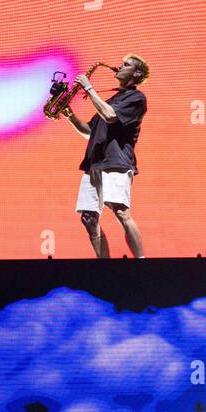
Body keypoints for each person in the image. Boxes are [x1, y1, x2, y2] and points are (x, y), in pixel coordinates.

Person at [61, 53, 149, 259]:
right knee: (89, 218)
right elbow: (89, 132)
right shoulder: (112, 99)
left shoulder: (136, 98)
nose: (119, 66)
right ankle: (105, 266)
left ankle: (142, 263)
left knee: (120, 212)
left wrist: (88, 88)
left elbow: (110, 116)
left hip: (116, 162)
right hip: (94, 163)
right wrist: (69, 114)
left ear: (136, 73)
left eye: (125, 65)